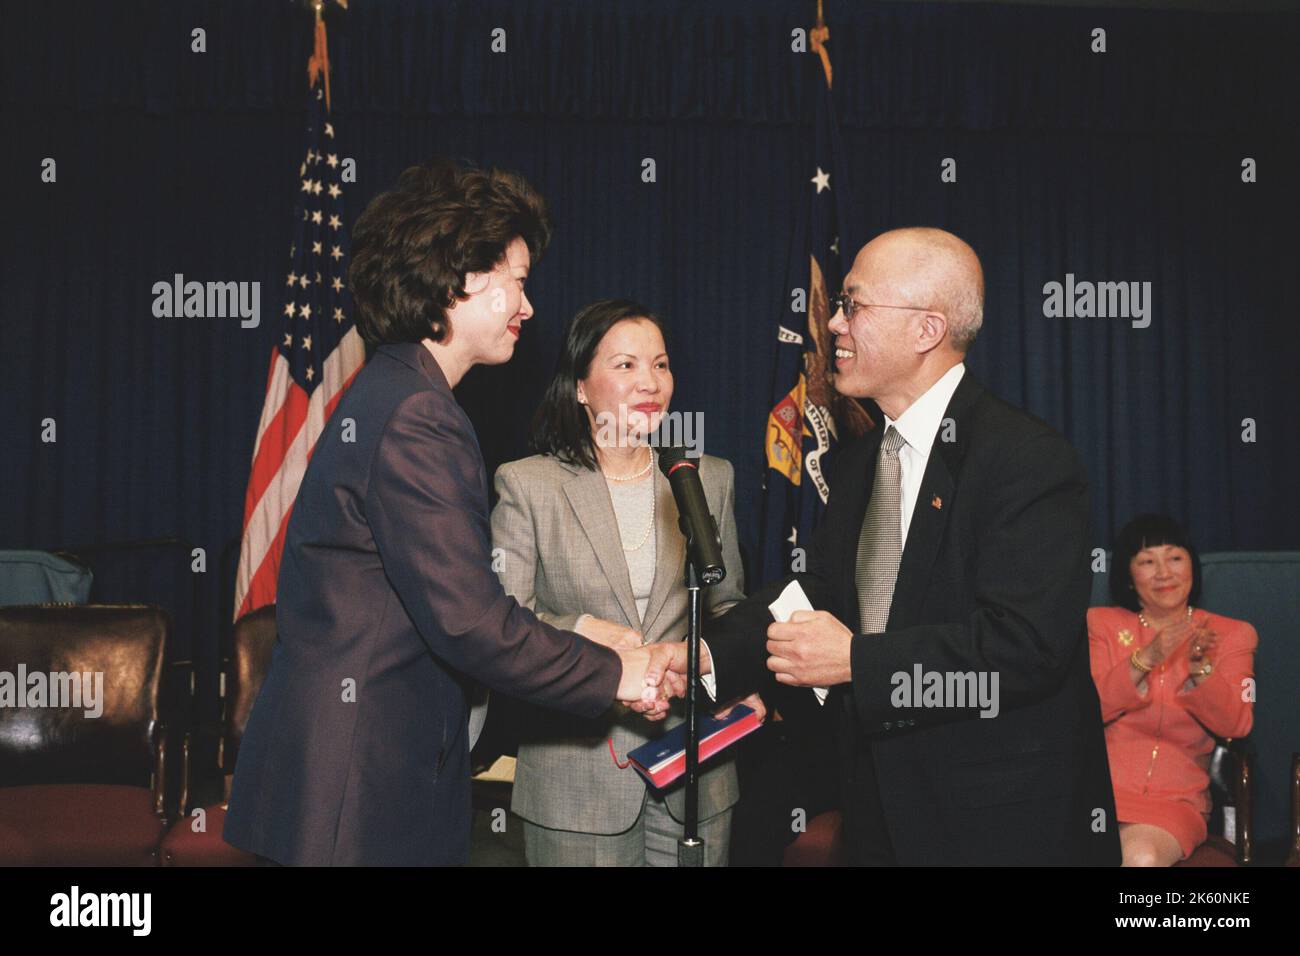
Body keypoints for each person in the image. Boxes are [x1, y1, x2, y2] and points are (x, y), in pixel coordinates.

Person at [223, 158, 680, 866]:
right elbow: (471, 622)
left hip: (358, 774)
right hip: (360, 784)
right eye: (519, 282)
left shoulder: (399, 392)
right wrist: (616, 673)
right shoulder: (418, 416)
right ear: (457, 277)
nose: (529, 307)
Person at [679, 226, 1121, 865]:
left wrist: (858, 661)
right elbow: (821, 592)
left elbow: (1025, 647)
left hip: (995, 823)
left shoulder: (1027, 460)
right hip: (877, 808)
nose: (832, 323)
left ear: (926, 330)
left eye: (853, 305)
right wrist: (706, 655)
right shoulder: (861, 463)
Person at [490, 298, 758, 866]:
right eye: (626, 365)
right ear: (581, 388)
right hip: (575, 781)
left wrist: (723, 668)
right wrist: (587, 630)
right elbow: (501, 624)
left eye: (660, 365)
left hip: (696, 774)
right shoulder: (528, 484)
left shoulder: (708, 477)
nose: (650, 382)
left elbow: (728, 605)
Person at [1088, 514, 1256, 866]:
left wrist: (1201, 671)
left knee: (1142, 858)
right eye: (1148, 561)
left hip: (1174, 802)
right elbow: (1088, 709)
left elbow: (1238, 724)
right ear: (1129, 577)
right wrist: (1146, 657)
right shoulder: (1102, 624)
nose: (1164, 572)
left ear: (1192, 566)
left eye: (1175, 558)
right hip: (1096, 792)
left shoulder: (1233, 634)